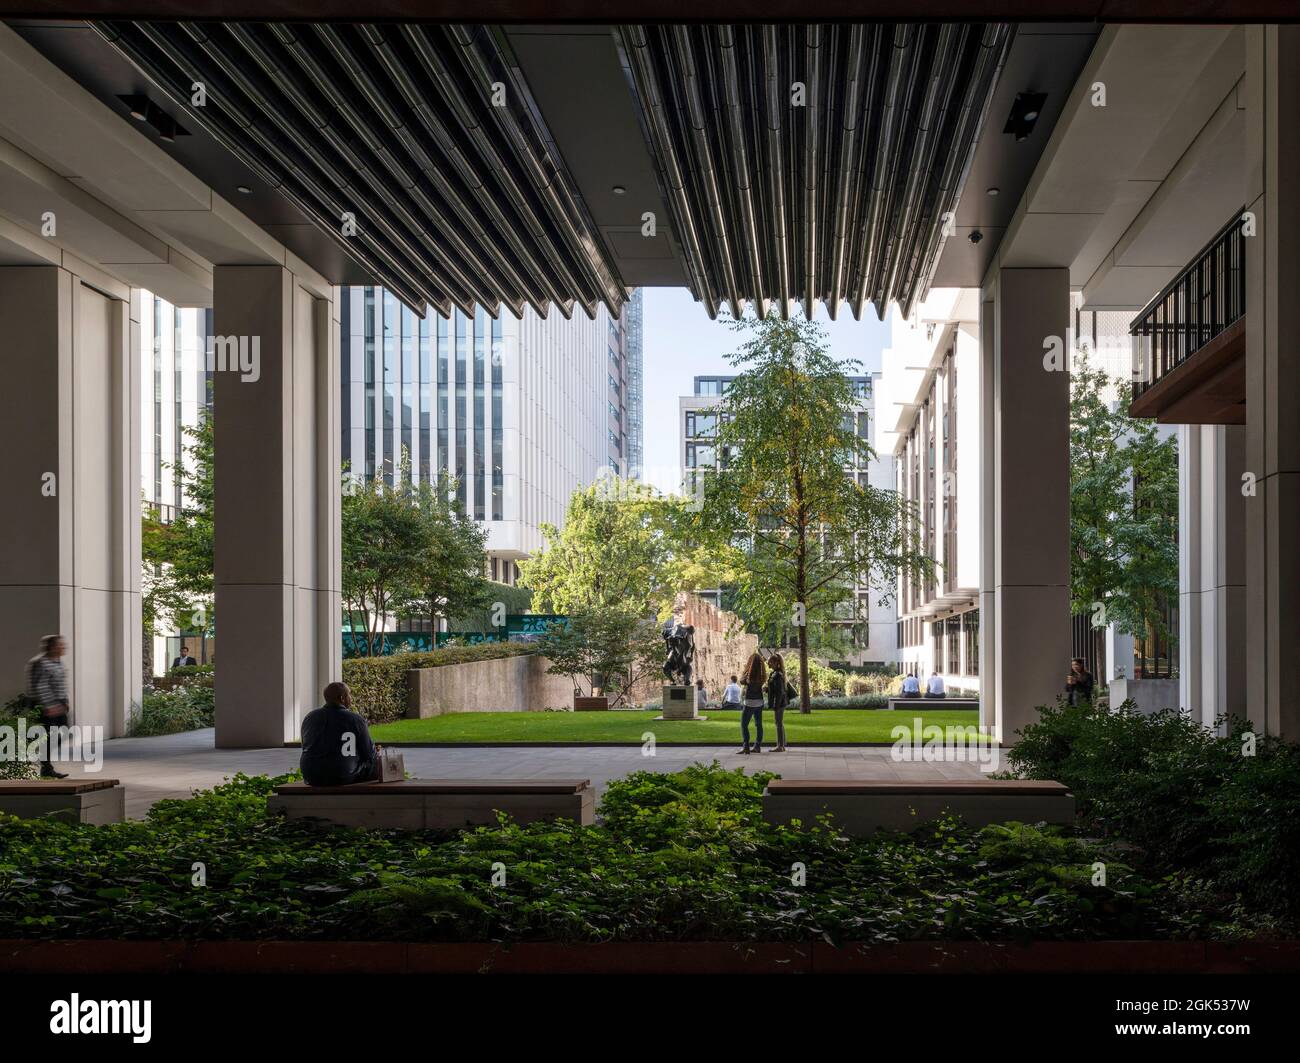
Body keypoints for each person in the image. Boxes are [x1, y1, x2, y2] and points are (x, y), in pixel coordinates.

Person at [299, 681, 379, 786]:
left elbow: (306, 746)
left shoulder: (309, 717)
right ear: (342, 698)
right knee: (377, 764)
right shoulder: (355, 719)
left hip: (311, 775)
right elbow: (368, 754)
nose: (351, 698)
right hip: (342, 775)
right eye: (349, 694)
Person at [26, 634, 71, 778]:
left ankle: (45, 764)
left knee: (63, 733)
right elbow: (40, 686)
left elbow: (60, 684)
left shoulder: (58, 662)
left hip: (59, 704)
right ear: (52, 647)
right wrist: (49, 706)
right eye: (60, 644)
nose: (63, 647)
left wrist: (65, 701)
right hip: (46, 706)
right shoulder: (40, 662)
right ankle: (46, 767)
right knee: (48, 736)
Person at [766, 653, 795, 753]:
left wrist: (776, 705)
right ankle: (782, 745)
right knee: (779, 723)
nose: (768, 664)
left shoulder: (778, 675)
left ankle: (780, 746)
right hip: (781, 702)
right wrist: (767, 689)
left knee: (778, 723)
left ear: (776, 663)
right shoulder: (776, 673)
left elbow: (780, 692)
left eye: (770, 662)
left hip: (779, 702)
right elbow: (776, 689)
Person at [738, 652, 766, 754]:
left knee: (744, 724)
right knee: (759, 725)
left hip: (749, 702)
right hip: (759, 702)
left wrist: (746, 669)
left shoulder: (748, 676)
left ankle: (746, 746)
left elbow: (741, 681)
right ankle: (757, 746)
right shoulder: (762, 676)